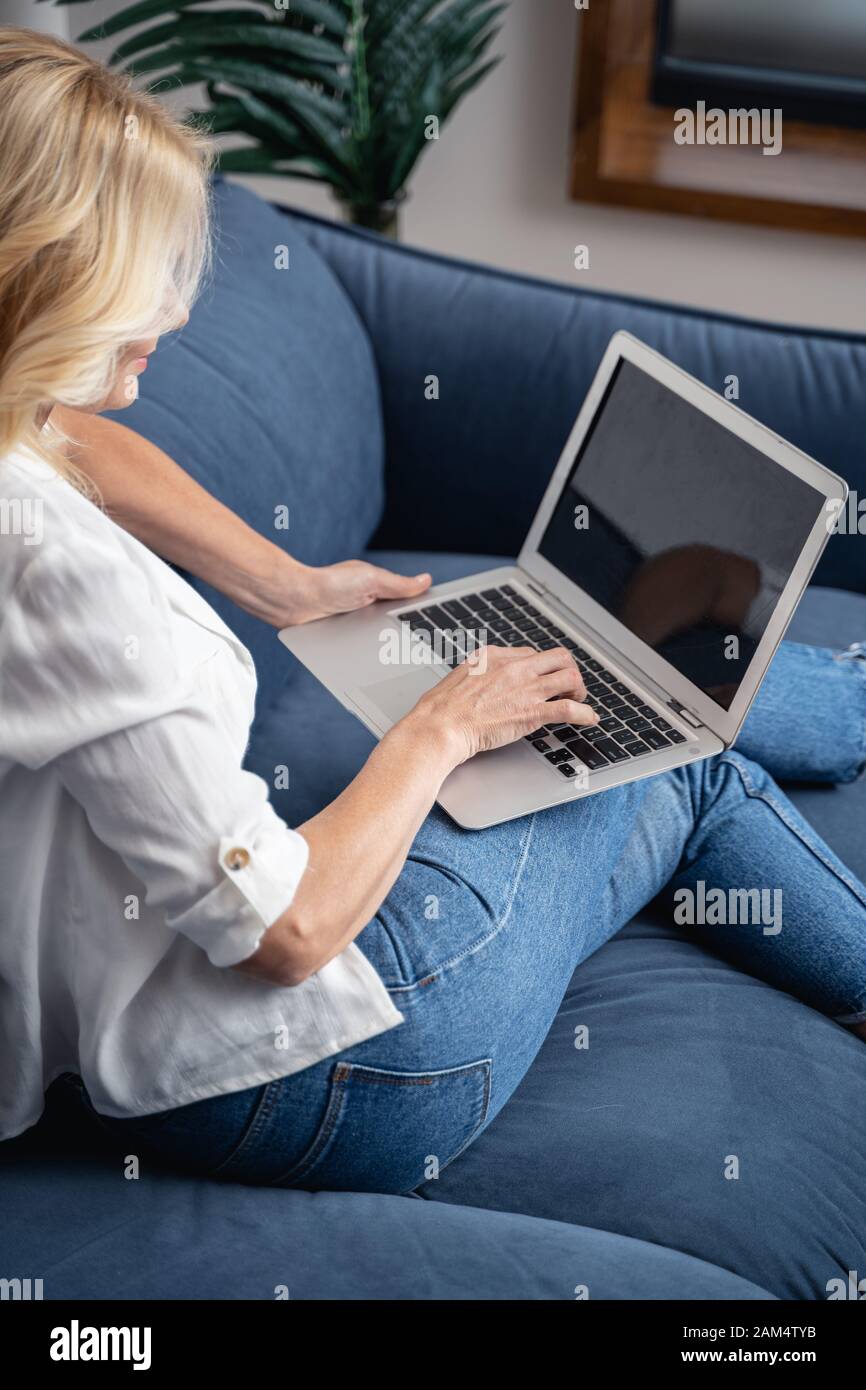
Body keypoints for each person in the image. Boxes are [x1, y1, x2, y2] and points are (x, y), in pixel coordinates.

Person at [1, 28, 864, 1195]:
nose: (172, 315)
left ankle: (790, 689)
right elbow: (287, 932)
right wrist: (446, 725)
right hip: (327, 1070)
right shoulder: (53, 569)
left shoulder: (18, 437)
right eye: (142, 277)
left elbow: (68, 436)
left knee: (619, 689)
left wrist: (284, 584)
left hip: (191, 1028)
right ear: (44, 277)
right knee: (666, 752)